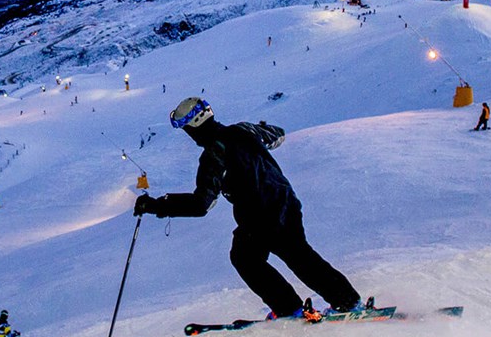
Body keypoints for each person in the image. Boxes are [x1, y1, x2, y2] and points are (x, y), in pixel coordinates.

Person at [133, 97, 361, 318]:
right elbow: (277, 135)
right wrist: (258, 135)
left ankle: (289, 308)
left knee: (245, 258)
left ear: (194, 126)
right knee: (300, 256)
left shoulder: (213, 155)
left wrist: (156, 205)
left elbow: (202, 204)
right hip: (285, 202)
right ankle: (348, 301)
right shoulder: (244, 129)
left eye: (186, 129)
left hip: (258, 216)